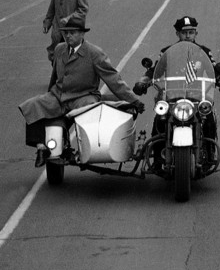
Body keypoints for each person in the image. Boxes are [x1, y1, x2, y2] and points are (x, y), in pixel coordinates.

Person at [19, 15, 145, 166]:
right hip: (58, 96)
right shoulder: (59, 49)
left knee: (90, 113)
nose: (68, 36)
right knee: (31, 105)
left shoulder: (94, 53)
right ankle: (41, 147)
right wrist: (49, 95)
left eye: (72, 32)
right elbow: (55, 76)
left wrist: (134, 100)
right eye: (66, 32)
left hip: (83, 96)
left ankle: (86, 149)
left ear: (82, 34)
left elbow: (113, 79)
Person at [136, 15, 220, 144]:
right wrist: (143, 81)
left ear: (196, 33)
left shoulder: (204, 52)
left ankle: (209, 150)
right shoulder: (167, 52)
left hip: (198, 95)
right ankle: (157, 155)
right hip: (172, 95)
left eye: (191, 32)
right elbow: (155, 71)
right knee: (160, 121)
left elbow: (213, 70)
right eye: (184, 33)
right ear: (177, 34)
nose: (188, 36)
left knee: (208, 120)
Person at [43, 0, 89, 66]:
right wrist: (47, 22)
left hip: (72, 31)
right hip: (58, 31)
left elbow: (83, 9)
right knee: (56, 57)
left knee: (73, 57)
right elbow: (52, 8)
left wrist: (68, 19)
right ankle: (57, 75)